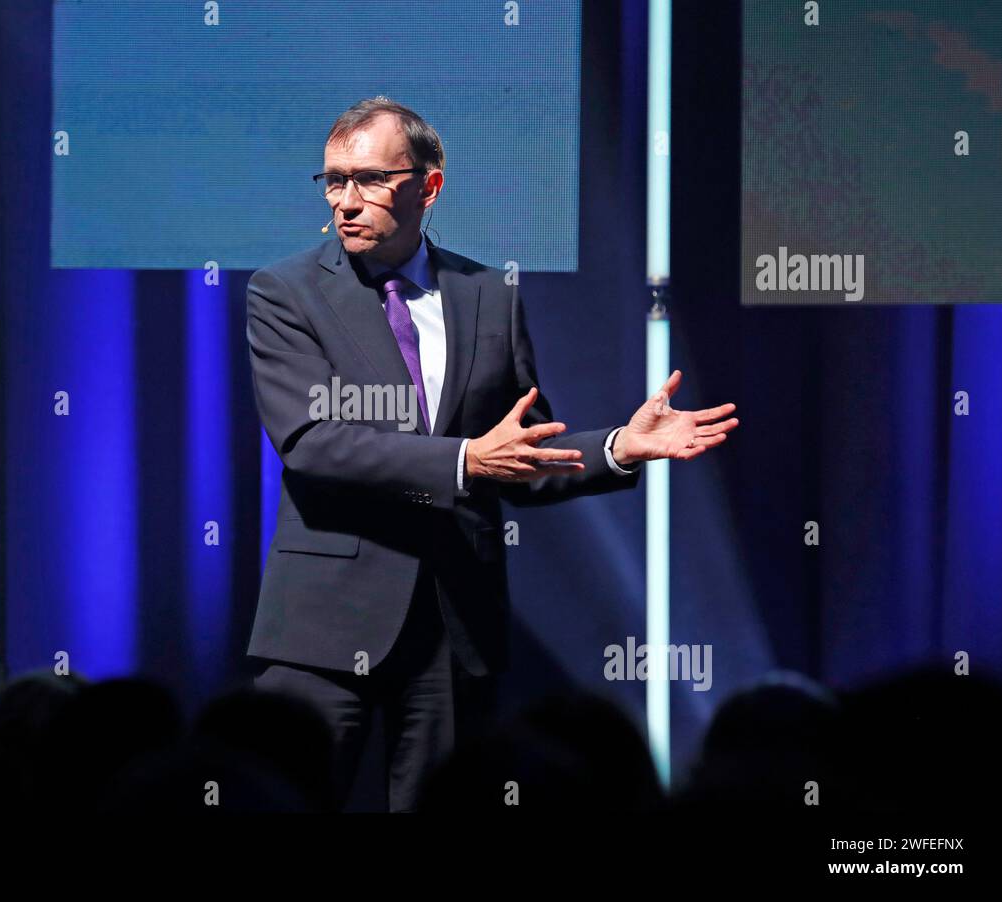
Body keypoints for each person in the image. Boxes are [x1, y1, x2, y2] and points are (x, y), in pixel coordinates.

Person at [246, 96, 738, 811]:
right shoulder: (285, 292)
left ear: (429, 185)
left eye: (368, 180)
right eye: (332, 181)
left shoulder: (487, 295)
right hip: (326, 621)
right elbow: (312, 444)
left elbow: (520, 449)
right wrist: (464, 462)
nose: (345, 203)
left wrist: (618, 447)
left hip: (453, 625)